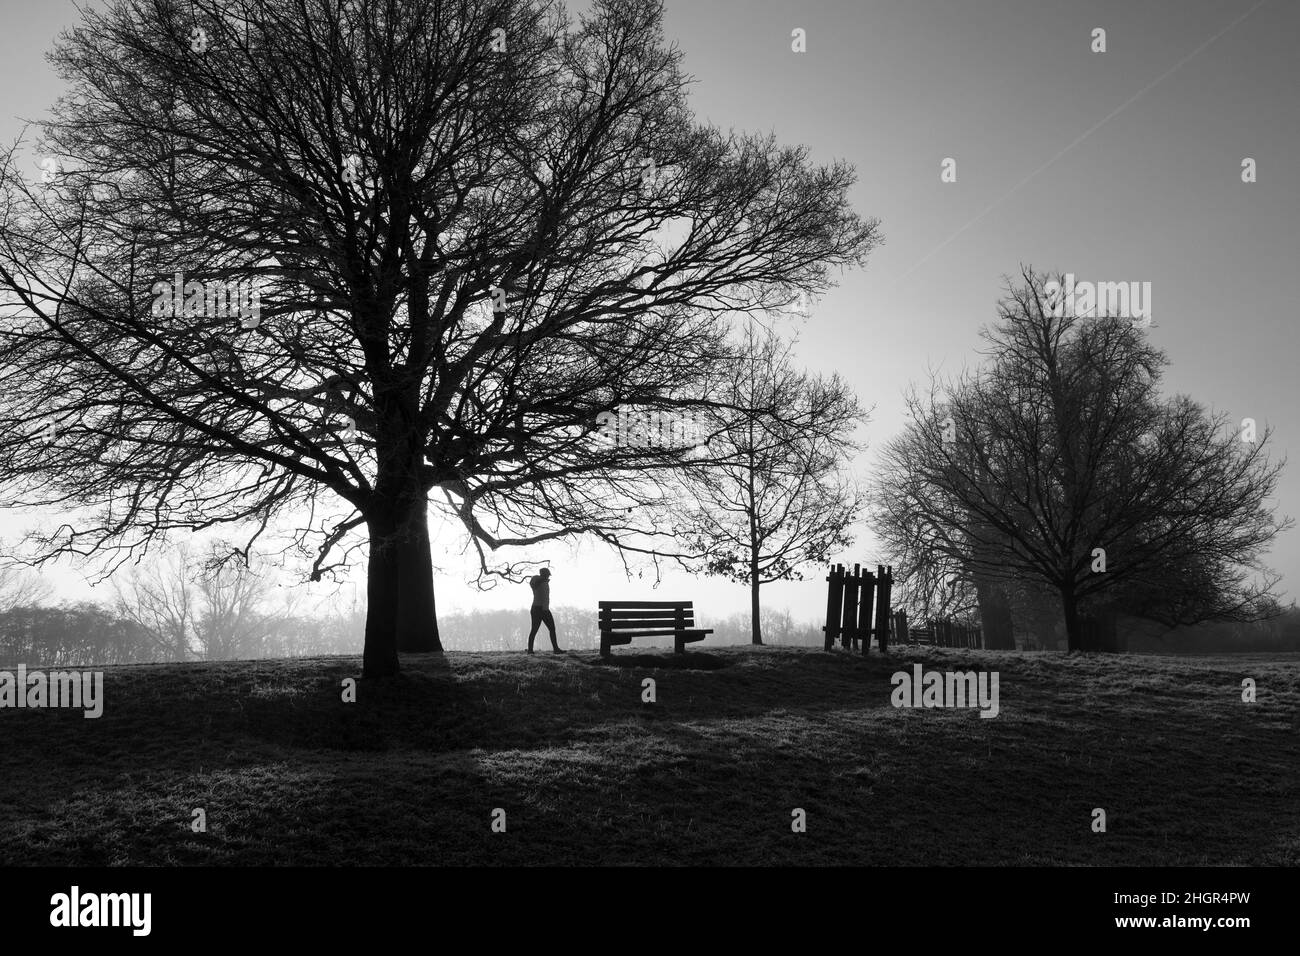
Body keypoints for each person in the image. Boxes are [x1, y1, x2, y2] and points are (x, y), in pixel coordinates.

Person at [527, 567, 563, 654]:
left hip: (540, 608)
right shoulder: (539, 582)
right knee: (538, 629)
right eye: (547, 575)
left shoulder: (541, 582)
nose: (548, 577)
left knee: (549, 629)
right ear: (544, 575)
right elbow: (534, 583)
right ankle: (531, 650)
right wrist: (542, 580)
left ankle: (555, 649)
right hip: (540, 609)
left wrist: (543, 580)